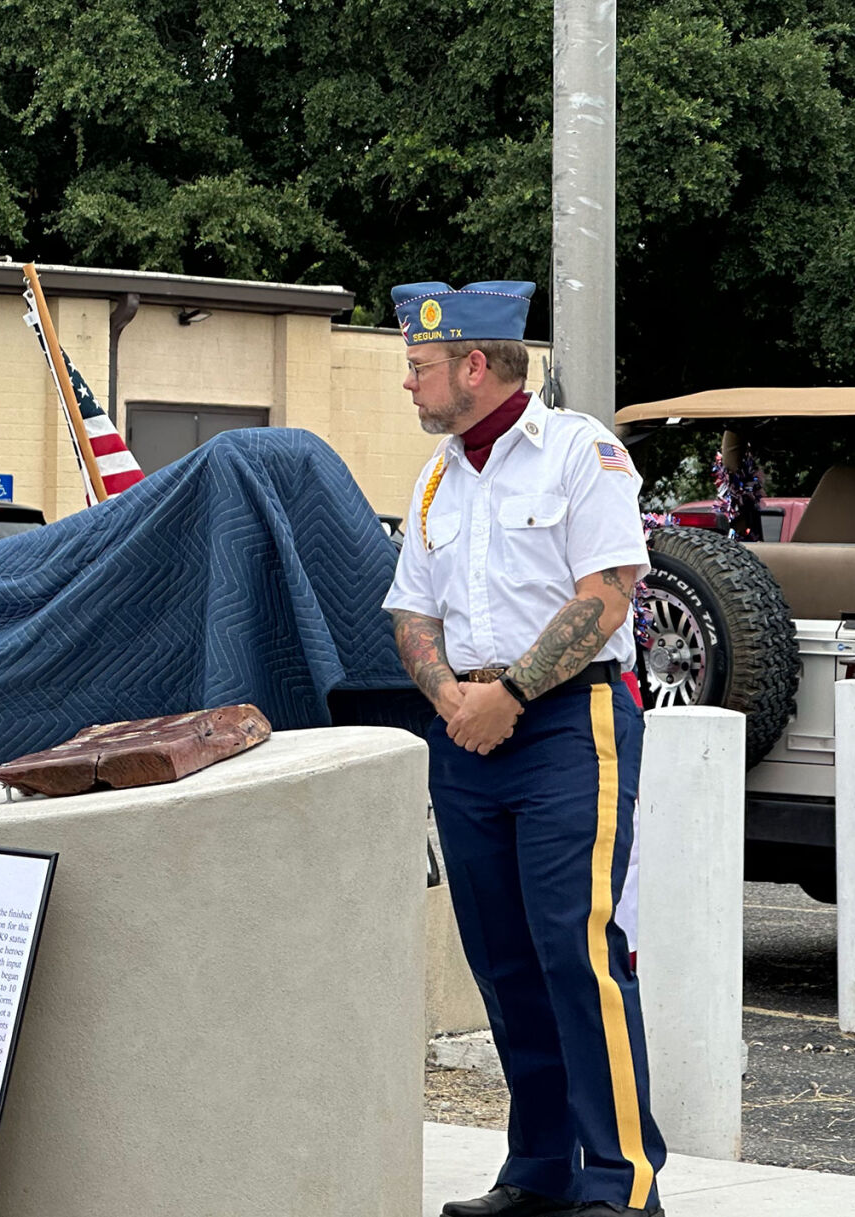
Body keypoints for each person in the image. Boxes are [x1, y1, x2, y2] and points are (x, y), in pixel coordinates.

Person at [383, 280, 667, 1217]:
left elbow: (608, 592)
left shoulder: (582, 452)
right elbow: (413, 612)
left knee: (575, 947)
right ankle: (541, 1170)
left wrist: (507, 694)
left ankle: (621, 1181)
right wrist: (455, 698)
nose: (409, 386)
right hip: (465, 727)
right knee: (502, 956)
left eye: (419, 368)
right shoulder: (436, 476)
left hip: (563, 724)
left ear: (474, 364)